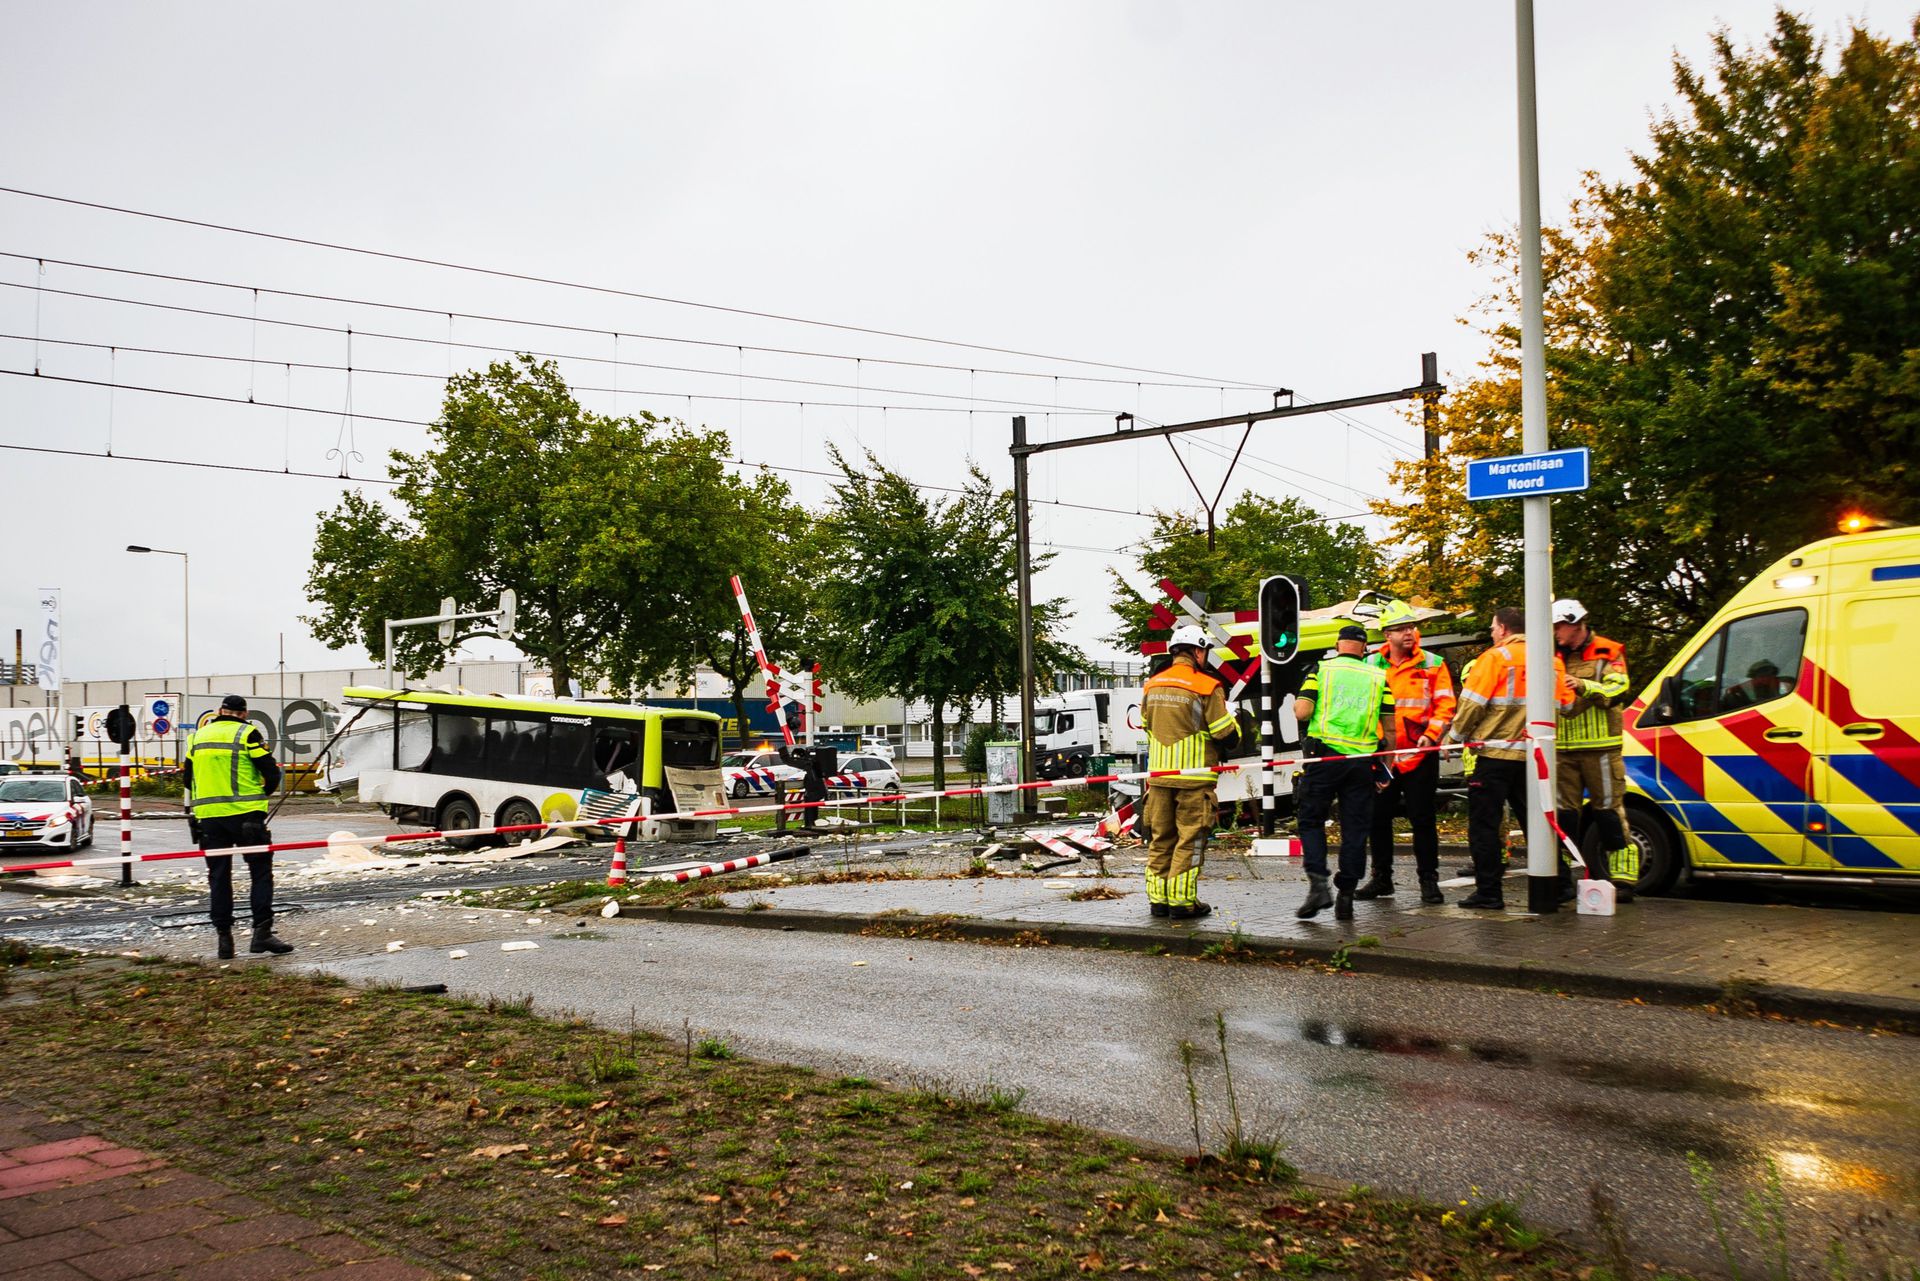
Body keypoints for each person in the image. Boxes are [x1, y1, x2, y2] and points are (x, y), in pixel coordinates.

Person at [1445, 607, 1575, 910]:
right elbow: (1566, 706)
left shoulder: (1494, 658)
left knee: (1484, 826)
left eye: (1493, 627)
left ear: (1503, 628)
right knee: (1540, 822)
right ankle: (1561, 884)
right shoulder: (1551, 660)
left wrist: (1453, 738)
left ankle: (1489, 892)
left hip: (1495, 755)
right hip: (1535, 756)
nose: (1492, 633)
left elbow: (1472, 705)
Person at [1292, 624, 1397, 921]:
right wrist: (1386, 770)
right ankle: (1347, 896)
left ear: (1338, 645)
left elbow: (1302, 712)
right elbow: (1390, 730)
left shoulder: (1320, 671)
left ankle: (1318, 886)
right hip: (1362, 763)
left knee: (1311, 820)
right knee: (1355, 828)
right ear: (1363, 648)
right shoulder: (1379, 679)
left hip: (1323, 759)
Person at [1358, 600, 1458, 905]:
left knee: (1423, 819)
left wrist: (1432, 735)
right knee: (1378, 819)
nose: (1409, 633)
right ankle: (1382, 879)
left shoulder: (1432, 663)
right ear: (1387, 634)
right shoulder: (1371, 664)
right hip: (1384, 756)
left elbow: (1446, 705)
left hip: (1418, 754)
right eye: (1401, 629)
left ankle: (1429, 881)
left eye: (1412, 627)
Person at [1140, 625, 1240, 920]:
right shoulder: (1208, 686)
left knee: (1161, 839)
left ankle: (1158, 902)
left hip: (1159, 777)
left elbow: (1147, 725)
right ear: (1198, 652)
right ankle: (1183, 903)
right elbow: (1224, 733)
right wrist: (1234, 724)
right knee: (1190, 840)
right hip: (1194, 780)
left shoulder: (1152, 685)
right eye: (1205, 652)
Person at [185, 694, 289, 958]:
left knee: (219, 877)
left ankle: (224, 941)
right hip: (246, 817)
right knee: (260, 873)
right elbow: (271, 772)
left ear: (219, 711)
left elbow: (187, 779)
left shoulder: (197, 737)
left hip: (208, 818)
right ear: (244, 713)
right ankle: (261, 934)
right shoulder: (248, 734)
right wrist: (261, 796)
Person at [1553, 599, 1636, 903]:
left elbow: (1618, 690)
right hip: (1562, 749)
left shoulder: (1608, 650)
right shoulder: (1551, 654)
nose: (1555, 632)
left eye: (1558, 626)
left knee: (1609, 813)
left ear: (1575, 623)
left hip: (1601, 747)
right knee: (1564, 817)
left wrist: (1585, 686)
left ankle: (1624, 879)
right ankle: (1561, 879)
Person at [1721, 658, 1789, 710]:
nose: (1765, 678)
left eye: (1768, 674)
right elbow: (1732, 690)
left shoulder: (1783, 683)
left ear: (1773, 674)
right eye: (1761, 676)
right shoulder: (1749, 685)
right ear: (1755, 677)